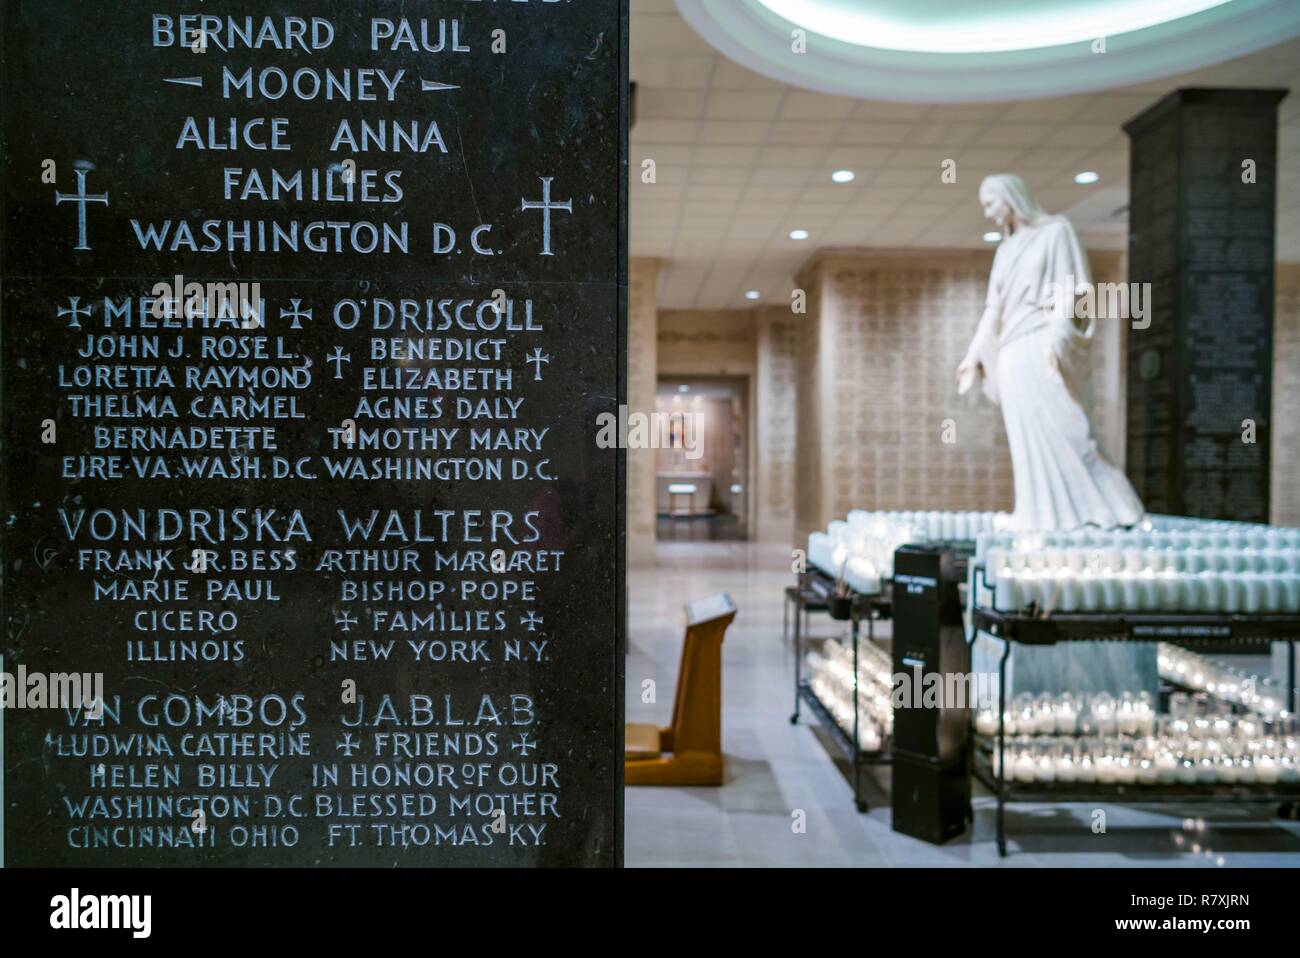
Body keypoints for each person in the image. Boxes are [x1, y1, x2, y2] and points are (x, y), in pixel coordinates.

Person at [957, 173, 1143, 531]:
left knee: (1071, 429)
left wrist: (1058, 337)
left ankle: (1115, 511)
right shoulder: (1005, 251)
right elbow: (993, 311)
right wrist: (974, 354)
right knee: (1027, 438)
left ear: (1012, 198)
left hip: (1042, 343)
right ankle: (1038, 514)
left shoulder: (1055, 232)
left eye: (991, 203)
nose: (989, 213)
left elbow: (1070, 289)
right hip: (1012, 351)